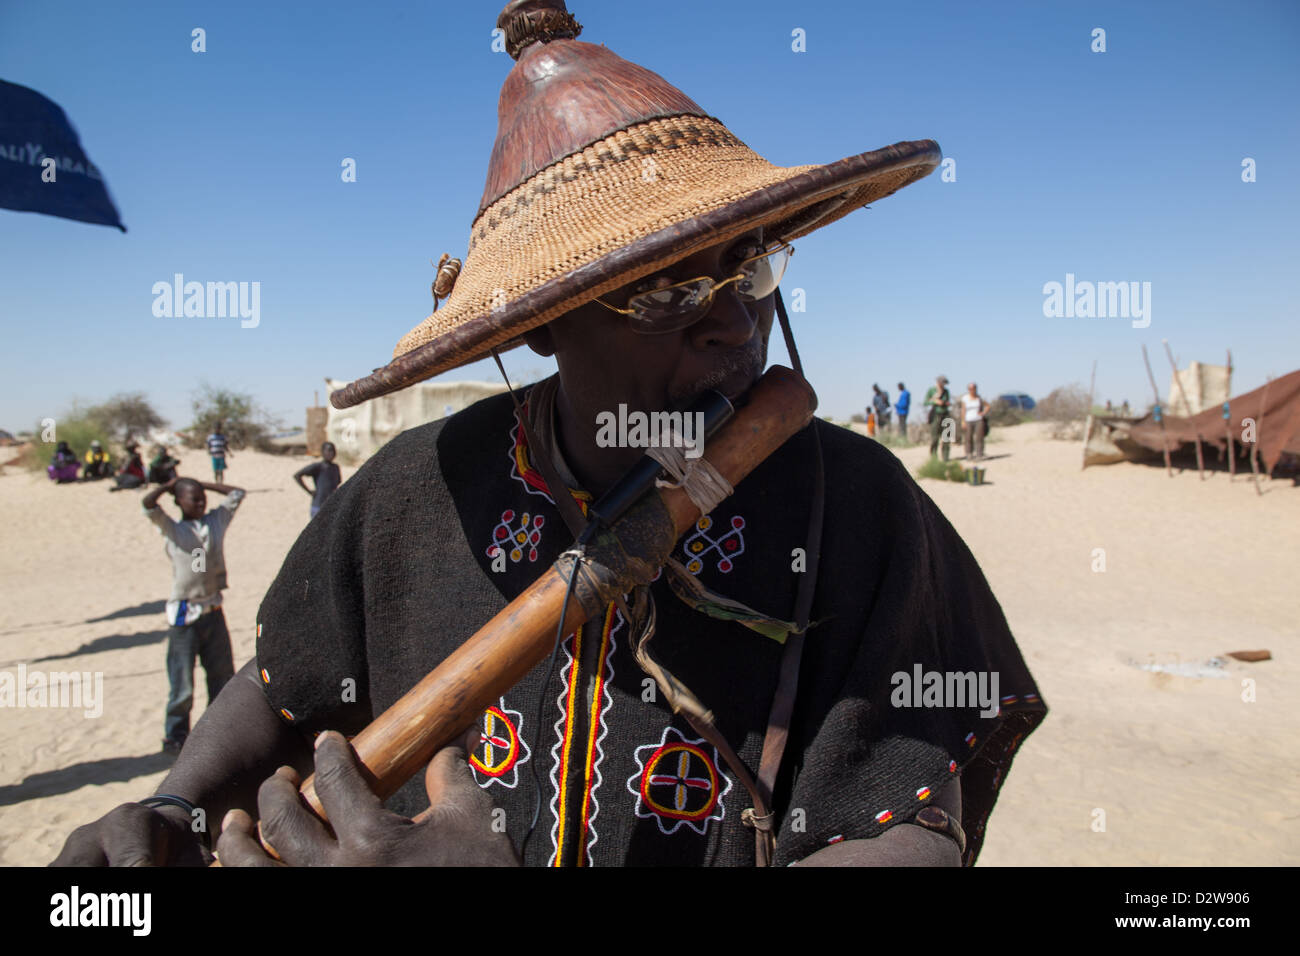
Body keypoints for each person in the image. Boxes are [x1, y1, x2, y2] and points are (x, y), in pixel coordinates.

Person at [53, 0, 1044, 869]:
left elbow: (900, 825)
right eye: (666, 287)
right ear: (540, 324)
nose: (734, 322)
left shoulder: (858, 502)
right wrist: (173, 803)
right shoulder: (416, 485)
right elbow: (281, 684)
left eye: (750, 267)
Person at [139, 475, 246, 753]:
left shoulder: (215, 522)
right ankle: (175, 734)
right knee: (182, 681)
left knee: (222, 675)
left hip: (213, 608)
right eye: (192, 498)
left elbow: (237, 491)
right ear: (179, 502)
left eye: (202, 497)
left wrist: (203, 483)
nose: (200, 502)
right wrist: (169, 484)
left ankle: (219, 728)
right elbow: (148, 504)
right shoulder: (173, 529)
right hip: (185, 615)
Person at [293, 441, 341, 518]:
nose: (331, 453)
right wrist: (309, 491)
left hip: (331, 506)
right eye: (328, 450)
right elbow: (297, 475)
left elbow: (338, 482)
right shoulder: (318, 467)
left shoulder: (335, 467)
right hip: (318, 506)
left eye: (333, 450)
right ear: (322, 452)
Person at [924, 375, 954, 460]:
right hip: (935, 416)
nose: (943, 384)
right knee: (934, 438)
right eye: (942, 382)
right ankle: (933, 457)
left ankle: (945, 458)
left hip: (945, 415)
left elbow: (948, 402)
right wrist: (935, 401)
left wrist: (945, 403)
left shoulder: (946, 391)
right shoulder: (932, 390)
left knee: (946, 438)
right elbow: (925, 402)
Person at [961, 382, 991, 462]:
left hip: (978, 419)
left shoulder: (979, 398)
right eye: (970, 389)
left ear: (976, 389)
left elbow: (988, 406)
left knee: (979, 437)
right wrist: (963, 421)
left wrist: (983, 413)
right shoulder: (965, 398)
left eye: (973, 388)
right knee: (968, 437)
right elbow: (963, 410)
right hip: (968, 420)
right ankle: (969, 454)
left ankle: (979, 454)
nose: (972, 390)